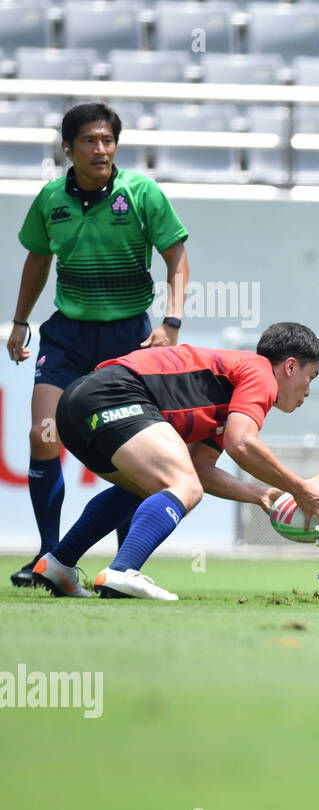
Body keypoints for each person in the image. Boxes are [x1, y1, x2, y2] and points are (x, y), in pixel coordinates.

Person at [8, 102, 190, 587]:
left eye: (108, 140)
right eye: (89, 140)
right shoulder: (51, 199)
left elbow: (177, 257)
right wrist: (20, 321)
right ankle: (50, 557)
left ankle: (124, 564)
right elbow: (36, 260)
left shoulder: (142, 193)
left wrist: (171, 321)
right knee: (42, 436)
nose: (101, 149)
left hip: (129, 338)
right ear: (68, 149)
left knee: (131, 453)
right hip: (66, 335)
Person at [34, 323, 319, 600]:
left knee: (149, 487)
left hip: (77, 407)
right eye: (311, 377)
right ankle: (122, 570)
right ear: (290, 366)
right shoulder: (260, 372)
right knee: (182, 486)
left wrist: (262, 495)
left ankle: (60, 563)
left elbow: (200, 470)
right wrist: (299, 487)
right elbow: (241, 443)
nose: (307, 391)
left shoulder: (228, 399)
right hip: (113, 395)